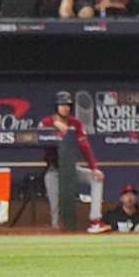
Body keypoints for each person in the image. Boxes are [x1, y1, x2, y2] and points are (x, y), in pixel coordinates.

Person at [44, 91, 107, 233]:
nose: (65, 107)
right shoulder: (47, 121)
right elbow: (39, 130)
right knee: (55, 208)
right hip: (54, 170)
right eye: (62, 104)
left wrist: (94, 168)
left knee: (96, 178)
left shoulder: (76, 123)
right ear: (56, 106)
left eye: (68, 105)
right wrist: (54, 124)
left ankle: (95, 221)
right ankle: (56, 234)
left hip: (71, 169)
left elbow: (84, 146)